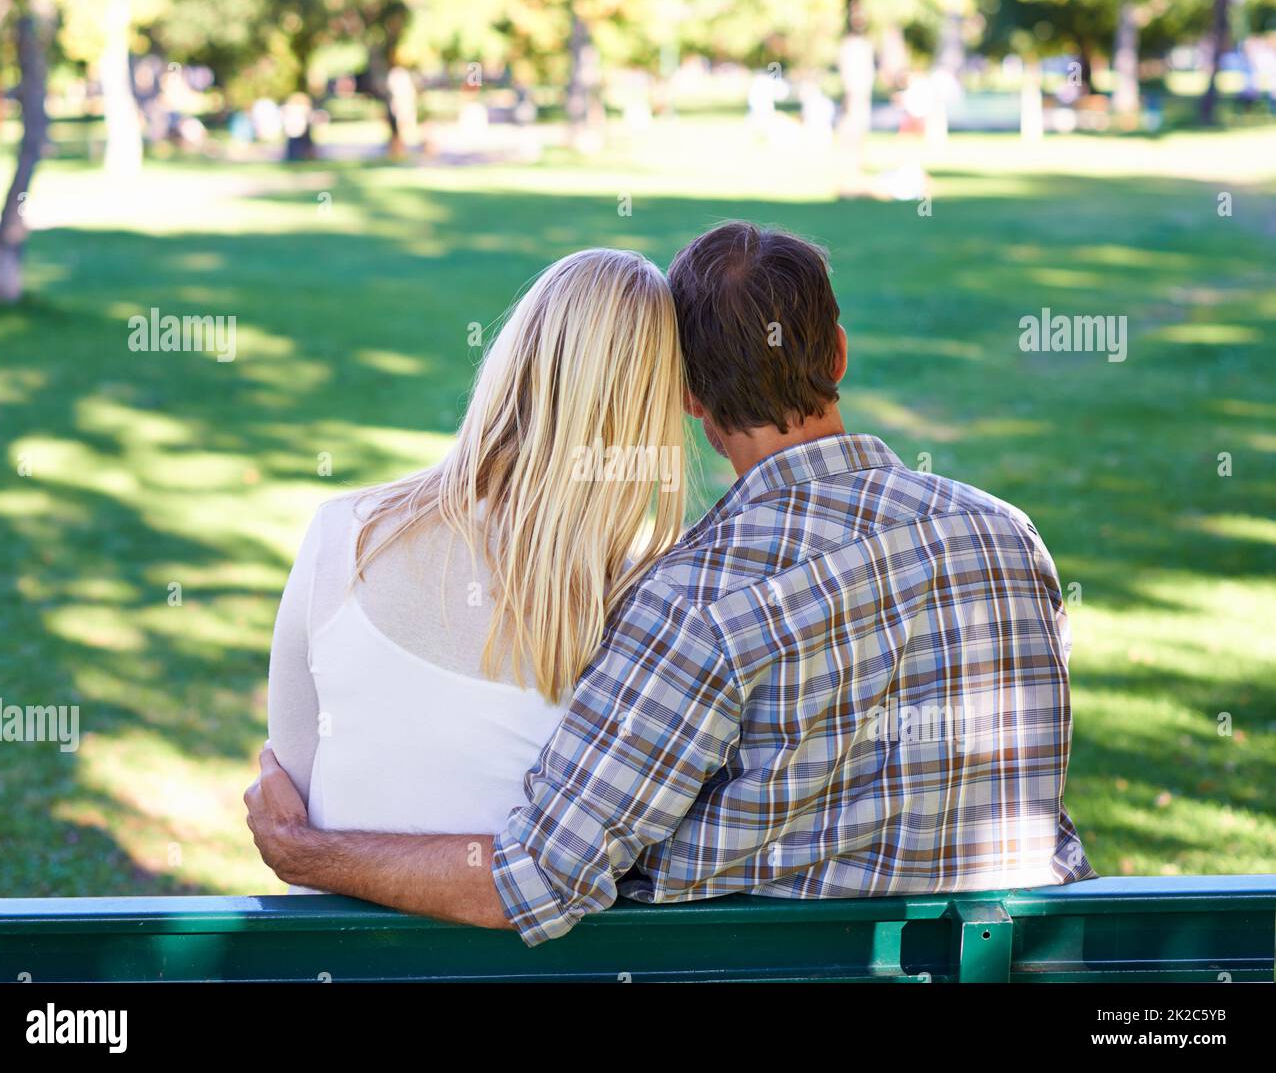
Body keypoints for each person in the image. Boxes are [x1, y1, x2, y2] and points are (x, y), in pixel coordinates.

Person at [247, 222, 1094, 945]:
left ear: (689, 398)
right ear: (838, 351)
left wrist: (304, 850)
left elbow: (540, 878)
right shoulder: (1005, 535)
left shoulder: (695, 597)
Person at [263, 248, 687, 866]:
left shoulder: (341, 536)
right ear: (652, 410)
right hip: (528, 961)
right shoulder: (644, 603)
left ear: (513, 356)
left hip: (338, 958)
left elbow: (284, 796)